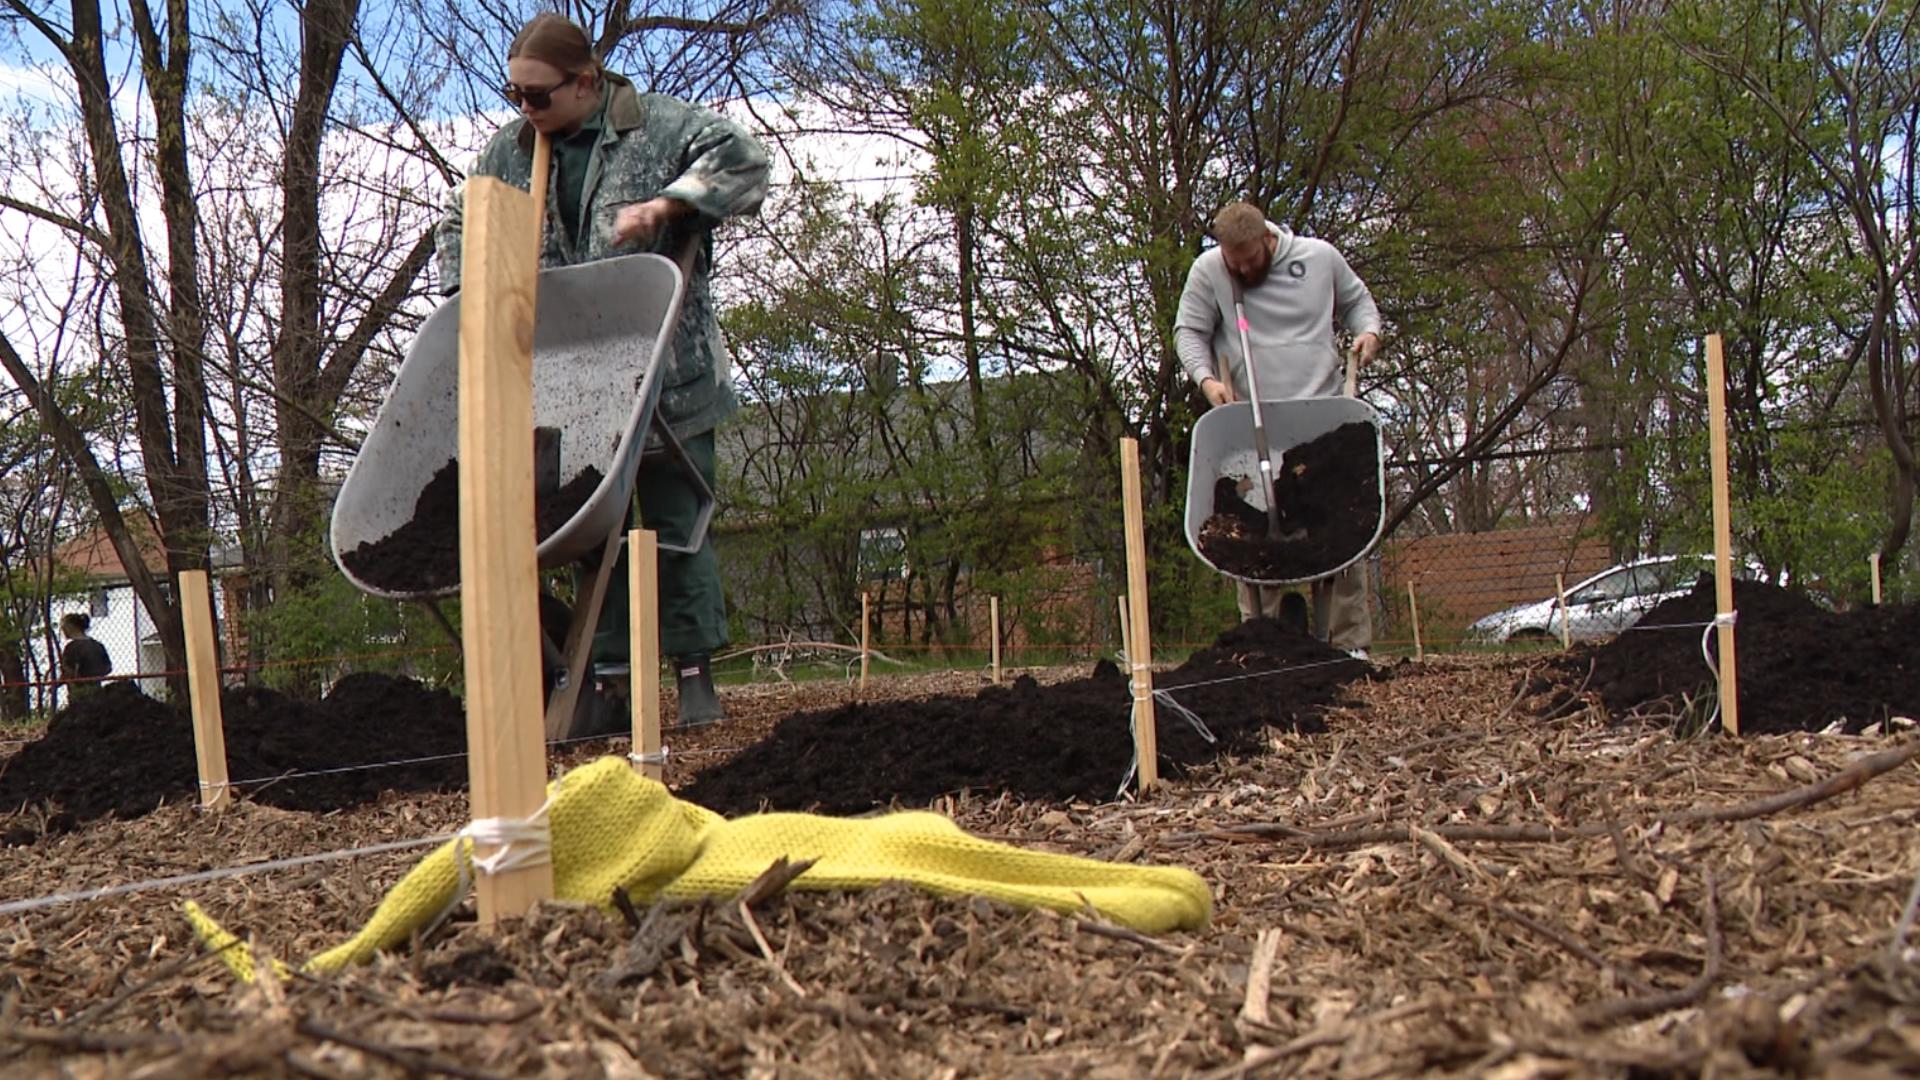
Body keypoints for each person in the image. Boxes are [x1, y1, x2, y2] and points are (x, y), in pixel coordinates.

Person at [435, 13, 769, 729]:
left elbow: (745, 160)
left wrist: (671, 204)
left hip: (668, 375)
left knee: (676, 524)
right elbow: (460, 221)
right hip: (577, 387)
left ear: (585, 81)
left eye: (538, 95)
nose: (525, 108)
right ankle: (610, 681)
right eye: (515, 94)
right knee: (596, 532)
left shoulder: (659, 128)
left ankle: (695, 674)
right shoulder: (510, 153)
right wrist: (471, 290)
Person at [1175, 201, 1382, 657]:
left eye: (1250, 259)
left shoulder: (1319, 258)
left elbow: (1357, 302)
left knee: (1342, 532)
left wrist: (1368, 332)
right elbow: (1188, 331)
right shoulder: (1210, 271)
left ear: (1268, 239)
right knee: (1251, 539)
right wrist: (1207, 381)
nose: (1243, 270)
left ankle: (1349, 645)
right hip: (1253, 425)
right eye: (1234, 263)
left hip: (1323, 422)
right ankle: (1262, 644)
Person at [58, 612, 111, 701]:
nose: (63, 630)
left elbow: (69, 672)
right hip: (97, 691)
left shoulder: (72, 648)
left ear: (71, 626)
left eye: (64, 626)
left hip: (79, 693)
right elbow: (108, 668)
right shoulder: (97, 645)